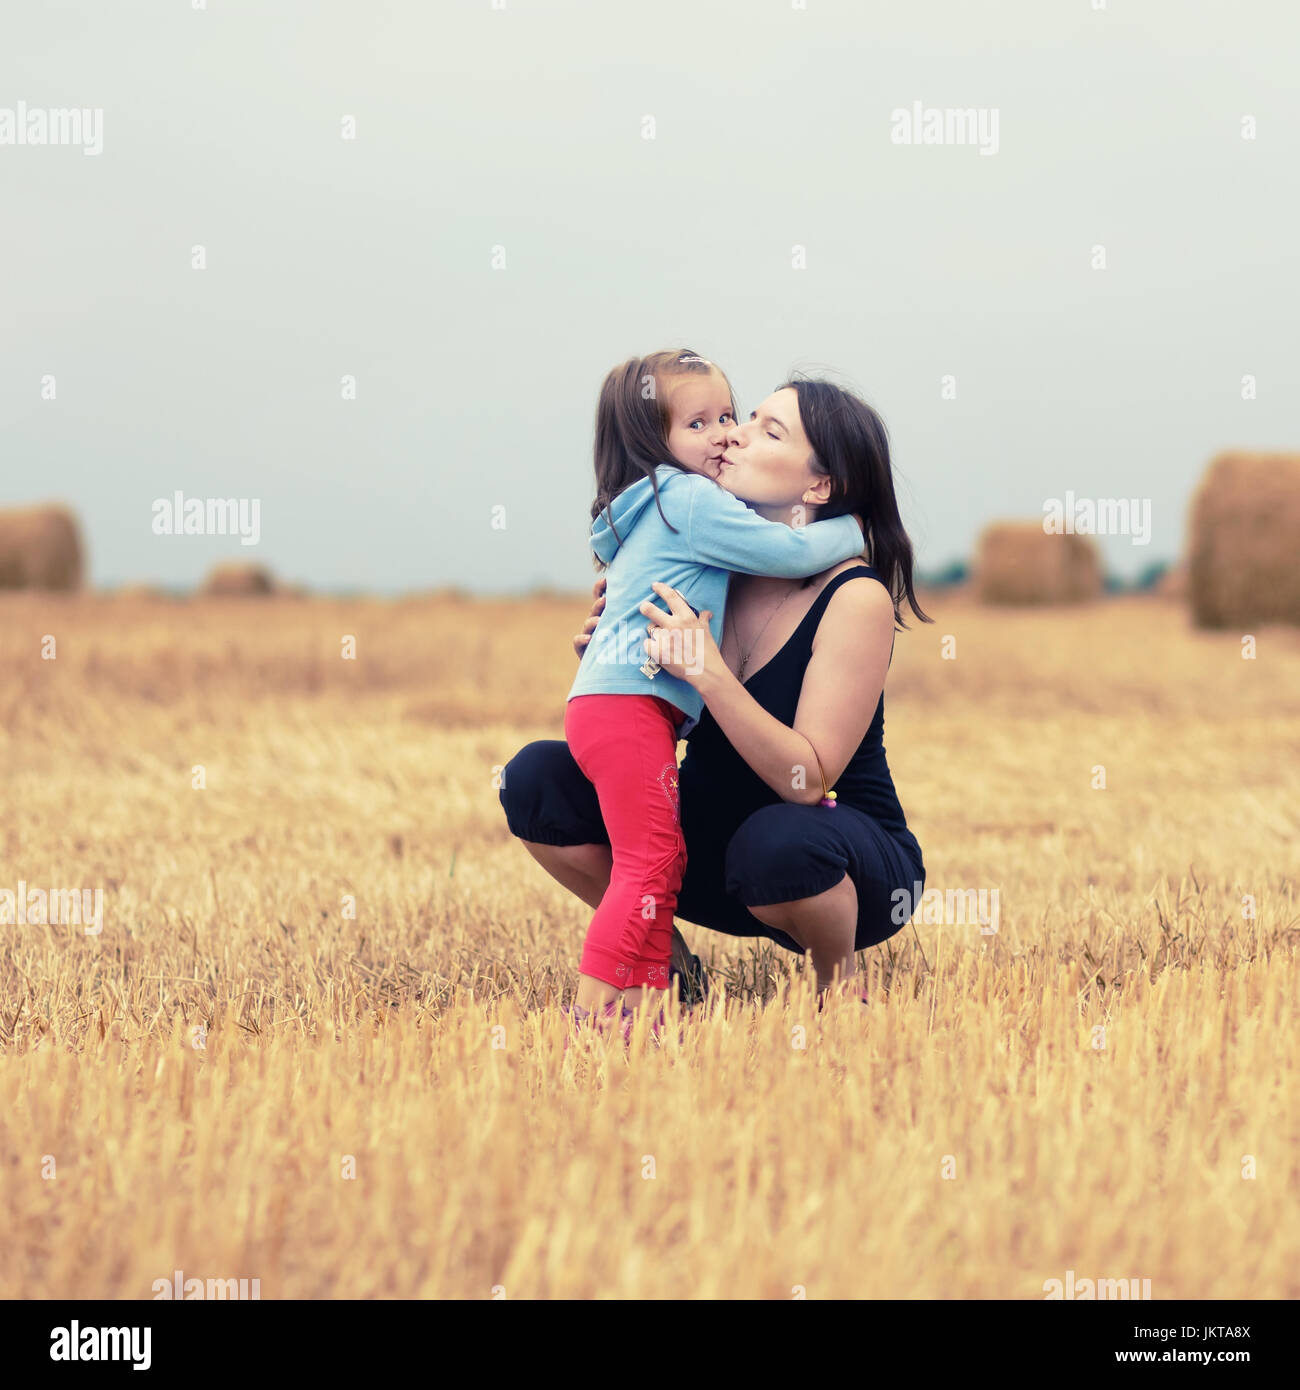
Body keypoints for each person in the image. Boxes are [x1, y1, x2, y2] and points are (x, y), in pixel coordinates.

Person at [502, 375, 926, 1015]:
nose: (735, 435)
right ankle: (663, 960)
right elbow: (660, 735)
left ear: (819, 487)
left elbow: (806, 779)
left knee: (779, 840)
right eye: (745, 417)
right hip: (706, 851)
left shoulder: (853, 596)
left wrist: (708, 672)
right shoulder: (708, 571)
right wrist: (622, 673)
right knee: (534, 777)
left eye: (768, 430)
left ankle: (838, 984)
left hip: (833, 849)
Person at [558, 350, 866, 1038]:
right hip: (629, 709)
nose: (727, 433)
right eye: (700, 423)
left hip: (615, 707)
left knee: (656, 861)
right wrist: (856, 529)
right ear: (652, 443)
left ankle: (647, 1005)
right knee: (648, 862)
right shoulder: (693, 501)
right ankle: (594, 1010)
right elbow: (789, 552)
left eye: (731, 415)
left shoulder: (654, 506)